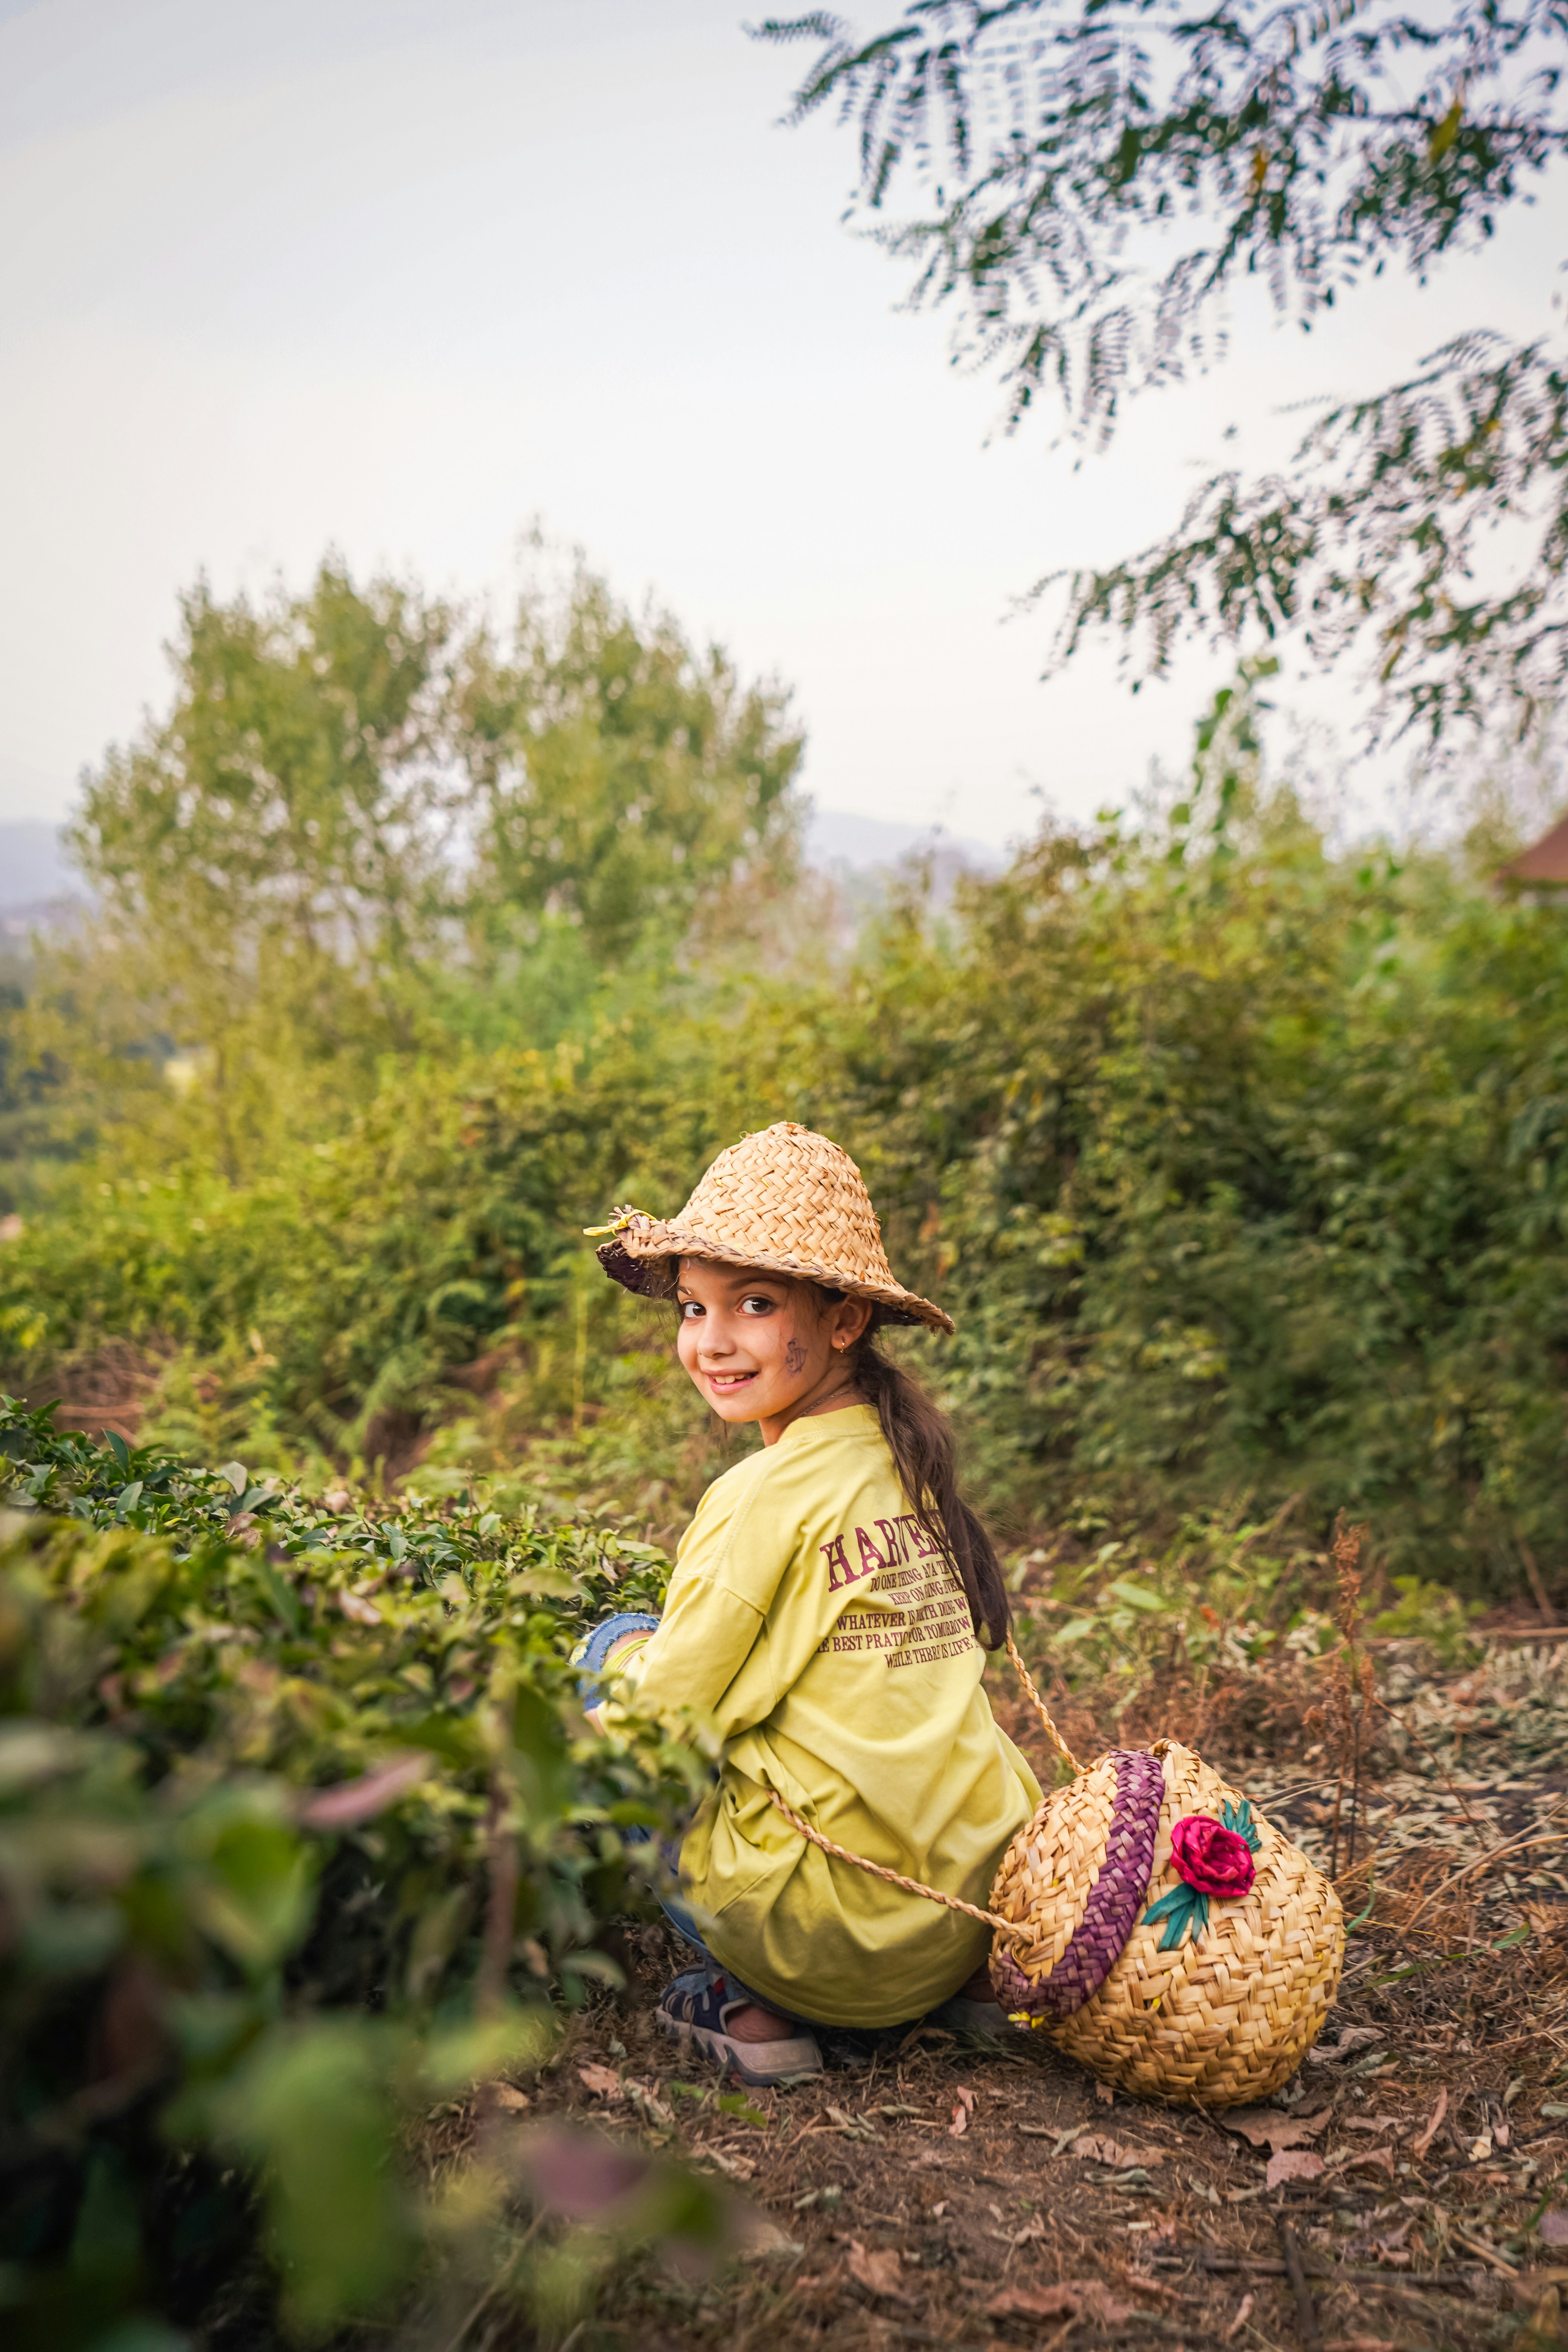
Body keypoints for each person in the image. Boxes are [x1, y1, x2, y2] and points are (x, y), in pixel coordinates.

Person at [578, 1121, 1041, 2087]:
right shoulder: (908, 1459)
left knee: (616, 1648)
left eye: (752, 1305)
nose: (712, 1343)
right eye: (694, 1308)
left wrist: (576, 1719)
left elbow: (659, 1726)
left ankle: (754, 2009)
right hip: (968, 1917)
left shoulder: (759, 1499)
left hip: (834, 1945)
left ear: (842, 1322)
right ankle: (969, 2000)